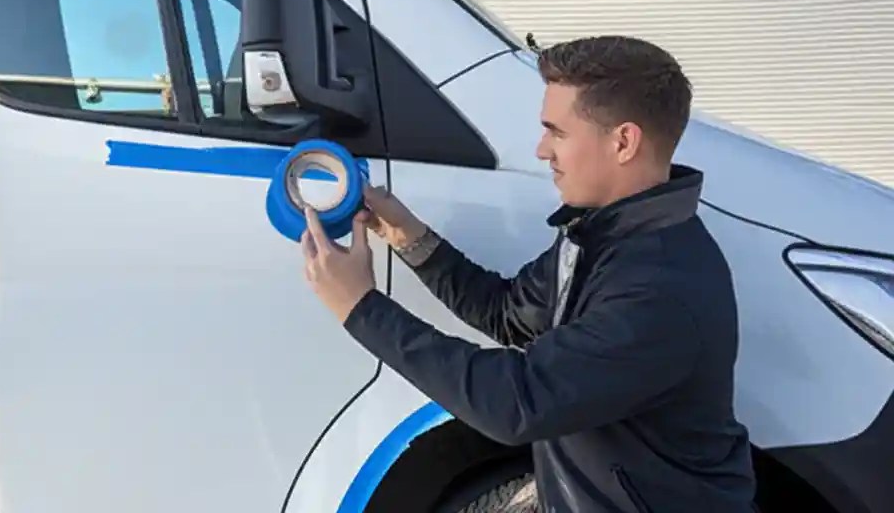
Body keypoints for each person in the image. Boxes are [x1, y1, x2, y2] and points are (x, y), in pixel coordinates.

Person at [299, 35, 757, 512]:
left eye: (556, 131)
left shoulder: (658, 286)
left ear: (623, 142)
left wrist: (361, 308)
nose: (542, 149)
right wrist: (409, 237)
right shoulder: (599, 237)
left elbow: (519, 402)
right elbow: (507, 315)